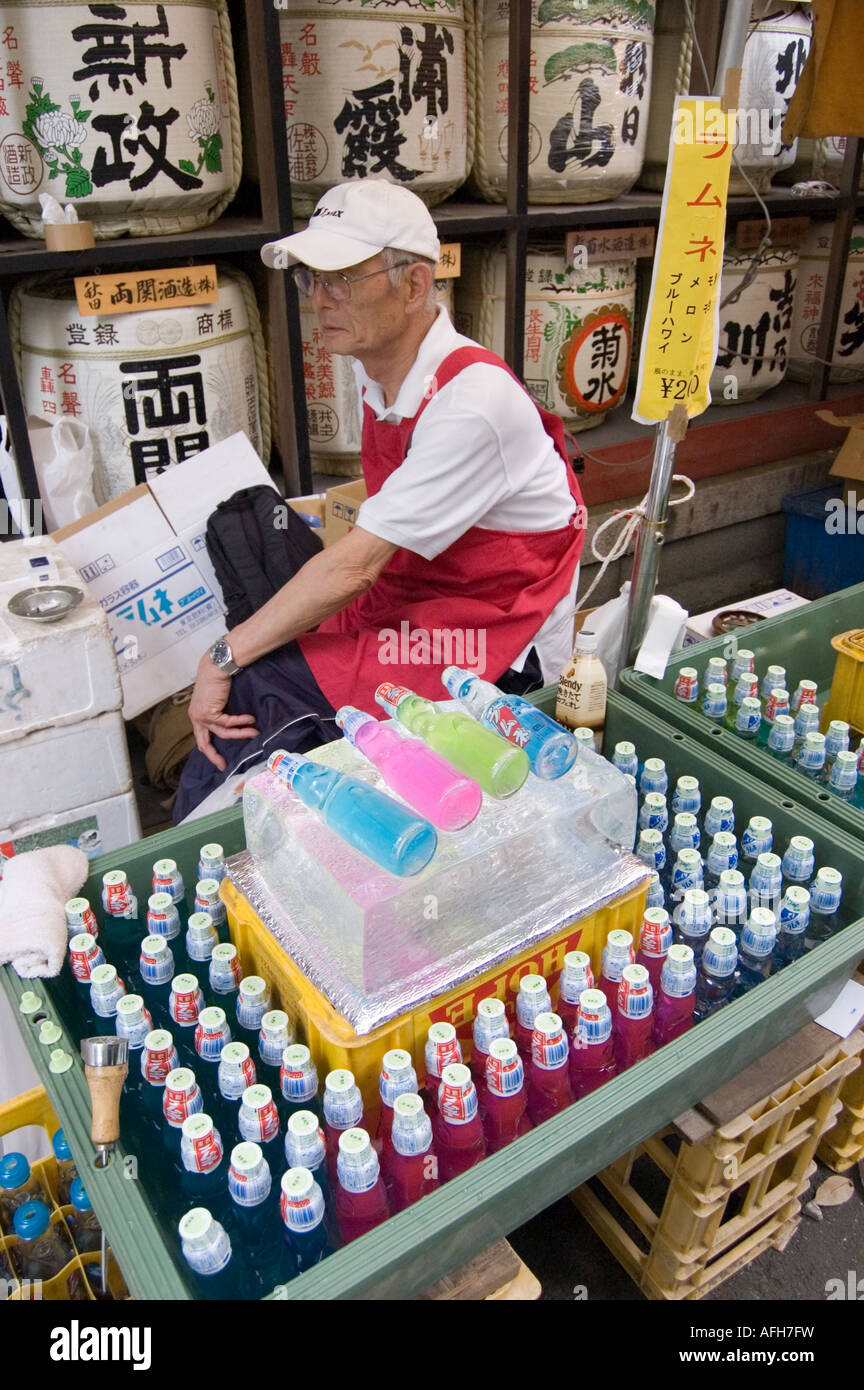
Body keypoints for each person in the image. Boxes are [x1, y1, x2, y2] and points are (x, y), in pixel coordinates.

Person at [174, 180, 586, 820]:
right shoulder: (384, 370)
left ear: (415, 284)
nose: (319, 298)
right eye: (311, 279)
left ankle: (191, 860)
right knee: (274, 626)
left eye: (341, 277)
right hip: (415, 598)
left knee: (259, 688)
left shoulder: (472, 403)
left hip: (491, 633)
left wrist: (220, 656)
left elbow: (353, 567)